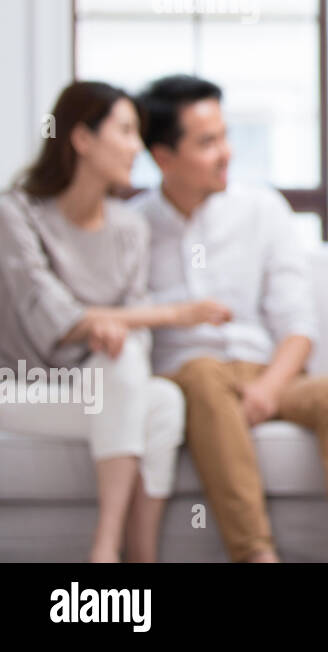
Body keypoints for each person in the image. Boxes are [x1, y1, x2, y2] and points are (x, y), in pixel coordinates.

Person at [131, 75, 328, 563]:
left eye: (225, 136)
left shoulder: (261, 210)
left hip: (259, 374)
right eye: (207, 143)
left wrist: (270, 388)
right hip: (189, 383)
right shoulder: (134, 227)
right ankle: (256, 556)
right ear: (163, 157)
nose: (226, 152)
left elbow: (298, 323)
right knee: (205, 374)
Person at [0, 81, 229, 562]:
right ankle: (105, 552)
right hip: (22, 383)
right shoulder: (16, 213)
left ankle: (139, 558)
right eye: (125, 132)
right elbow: (52, 313)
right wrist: (175, 314)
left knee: (161, 395)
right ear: (82, 139)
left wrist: (111, 328)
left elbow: (131, 332)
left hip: (97, 384)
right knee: (129, 371)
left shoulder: (129, 228)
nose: (135, 148)